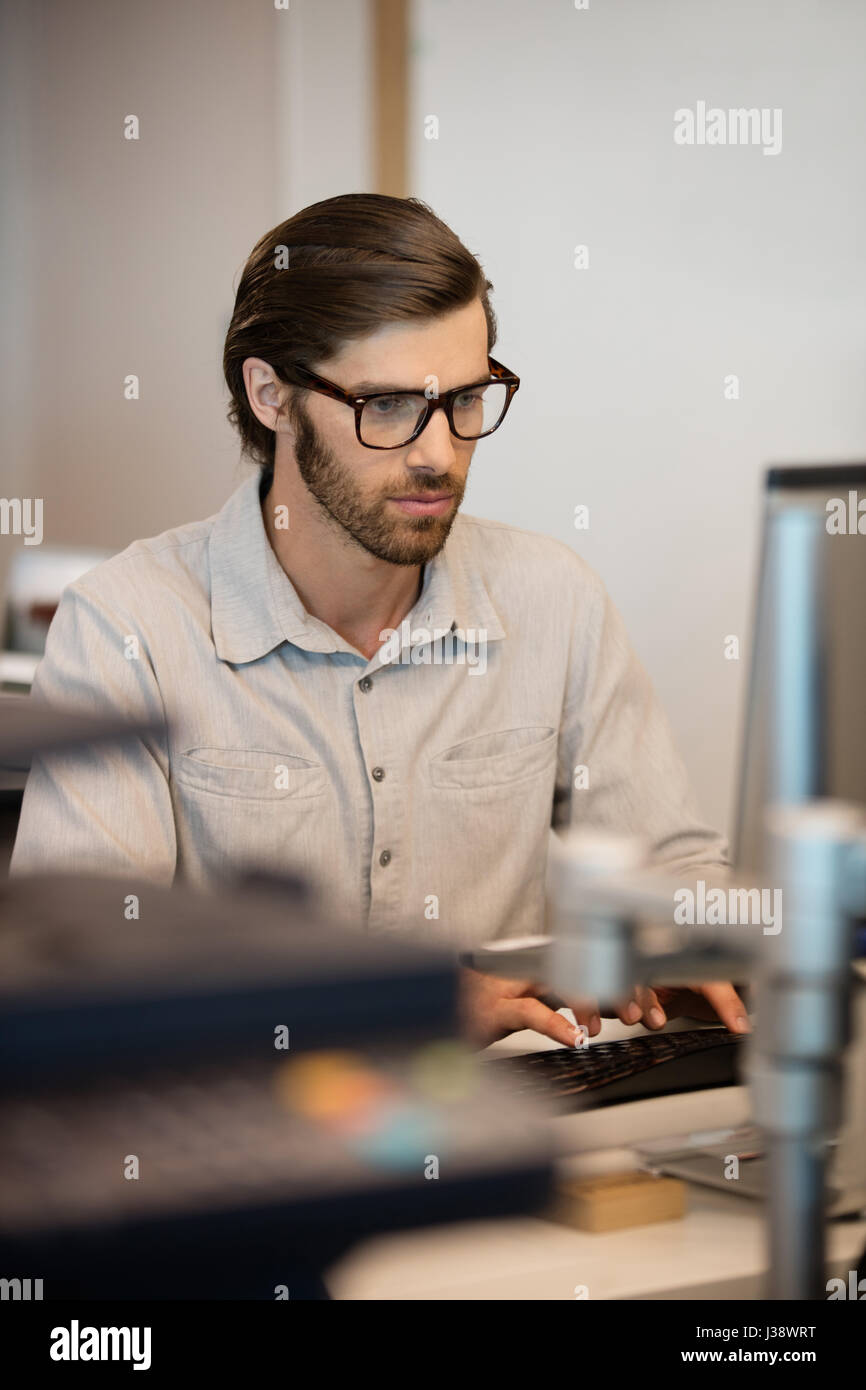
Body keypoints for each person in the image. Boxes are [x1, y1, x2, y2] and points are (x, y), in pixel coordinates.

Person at [10, 193, 748, 1047]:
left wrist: (686, 941)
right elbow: (85, 988)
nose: (438, 452)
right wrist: (409, 1016)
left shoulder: (555, 599)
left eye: (466, 399)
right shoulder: (126, 627)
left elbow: (677, 873)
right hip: (248, 1150)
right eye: (389, 405)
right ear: (272, 397)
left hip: (508, 1134)